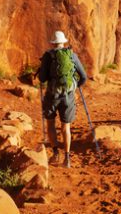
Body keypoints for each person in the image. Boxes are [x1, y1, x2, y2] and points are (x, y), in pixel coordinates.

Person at [38, 30, 88, 168]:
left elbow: (42, 78)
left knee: (50, 124)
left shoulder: (48, 56)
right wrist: (74, 86)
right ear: (63, 42)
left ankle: (55, 154)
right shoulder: (72, 55)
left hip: (52, 96)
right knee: (66, 127)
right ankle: (67, 159)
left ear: (53, 43)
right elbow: (84, 77)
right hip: (68, 97)